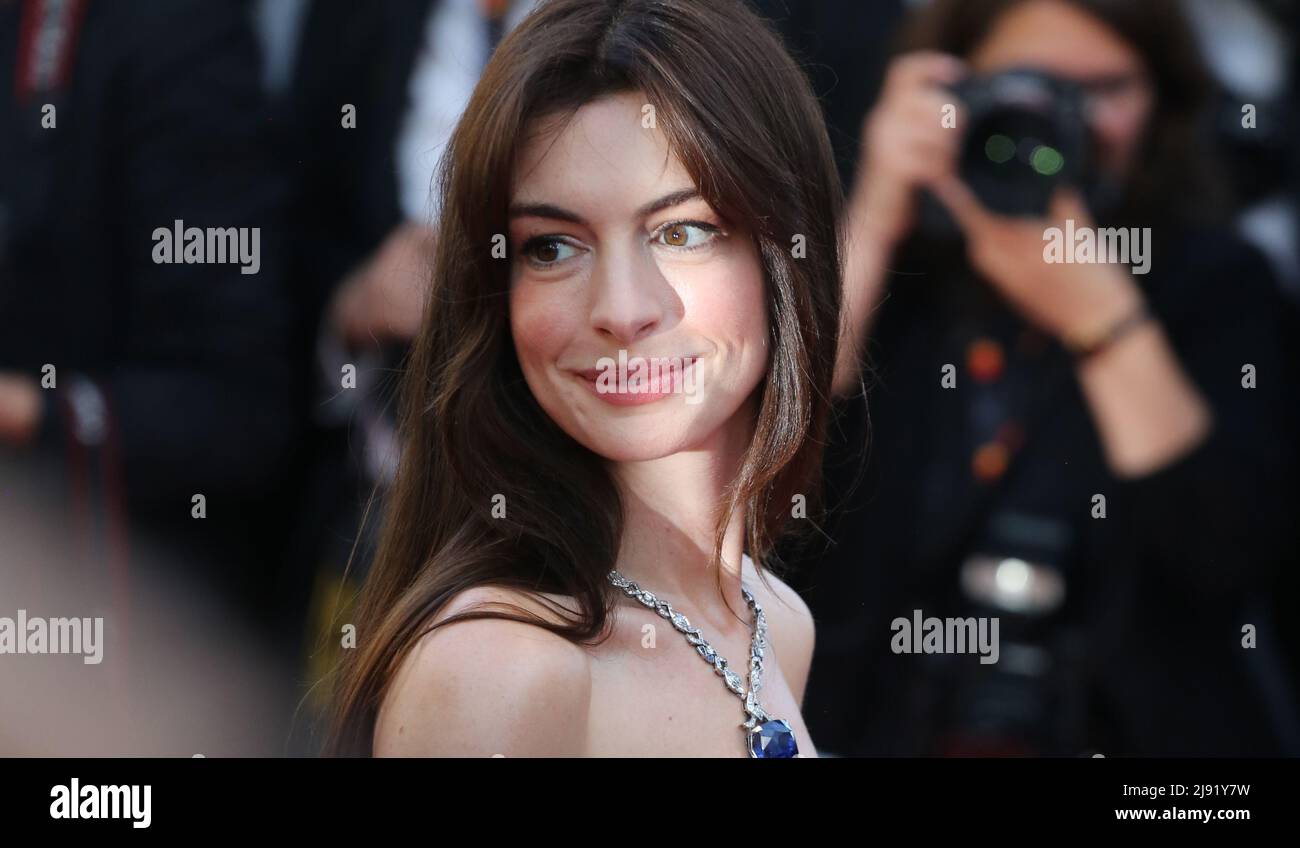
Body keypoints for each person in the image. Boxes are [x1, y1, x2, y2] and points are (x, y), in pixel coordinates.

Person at [325, 0, 844, 757]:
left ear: (786, 254)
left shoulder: (775, 621)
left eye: (682, 231)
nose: (622, 311)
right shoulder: (500, 671)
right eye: (553, 247)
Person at [801, 0, 1300, 755]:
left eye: (1106, 90)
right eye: (1028, 85)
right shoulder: (903, 275)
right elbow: (775, 467)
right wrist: (875, 208)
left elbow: (1223, 549)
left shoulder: (1218, 281)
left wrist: (1098, 314)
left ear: (1164, 101)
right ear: (954, 95)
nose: (1067, 120)